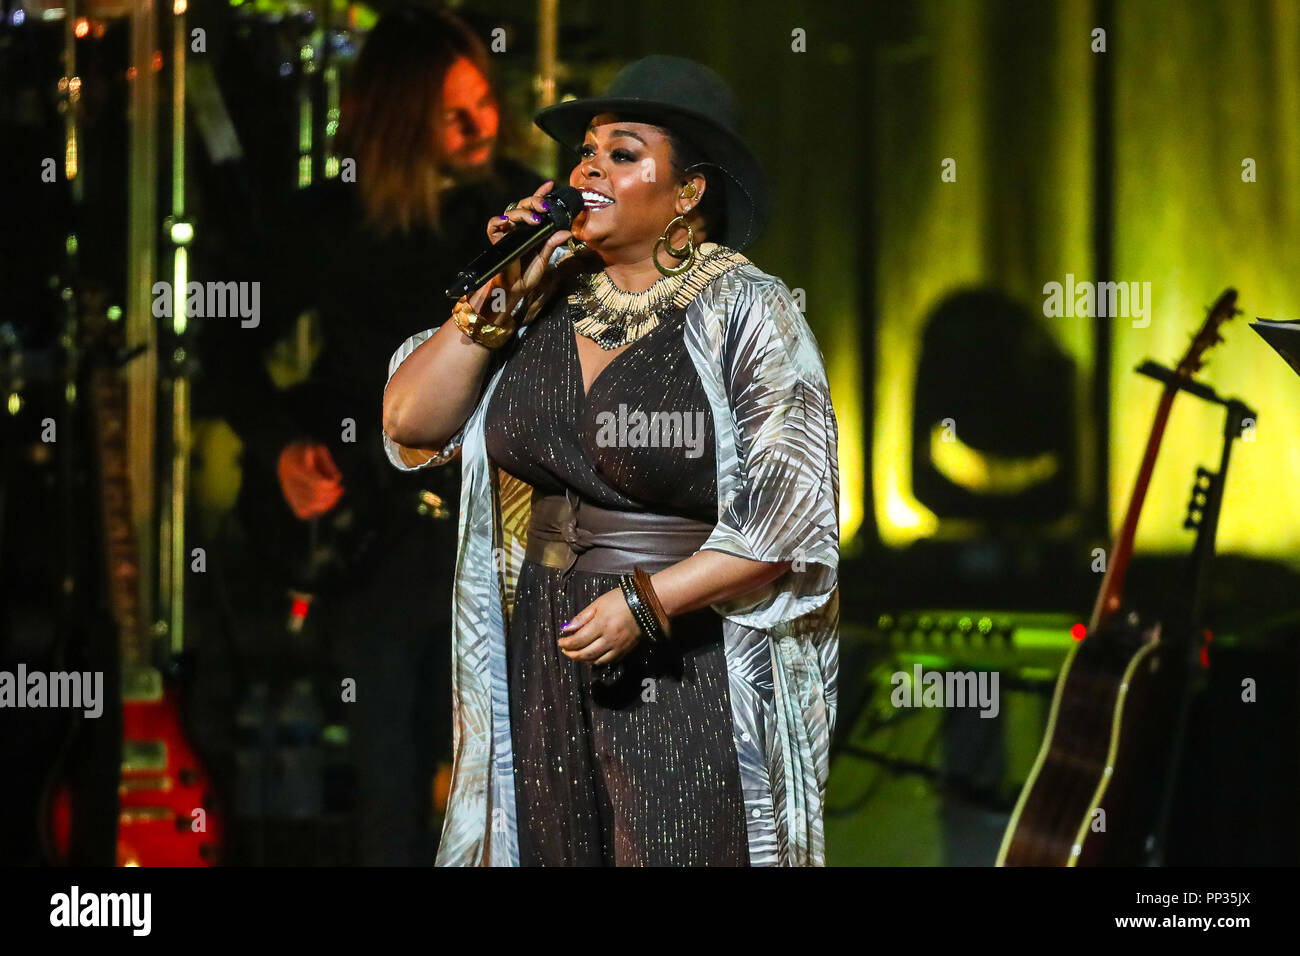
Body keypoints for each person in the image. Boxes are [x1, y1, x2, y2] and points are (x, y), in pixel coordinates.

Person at [382, 54, 840, 866]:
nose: (588, 169)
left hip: (685, 655)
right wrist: (502, 294)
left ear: (688, 191)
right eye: (586, 152)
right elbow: (409, 421)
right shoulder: (544, 296)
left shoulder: (746, 309)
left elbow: (790, 518)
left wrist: (646, 603)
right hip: (544, 639)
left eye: (622, 153)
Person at [198, 7, 543, 864]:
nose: (478, 124)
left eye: (483, 102)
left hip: (495, 533)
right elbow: (224, 347)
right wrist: (281, 448)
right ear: (396, 117)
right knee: (388, 787)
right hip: (371, 543)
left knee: (499, 783)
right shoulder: (329, 220)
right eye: (450, 111)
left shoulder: (524, 213)